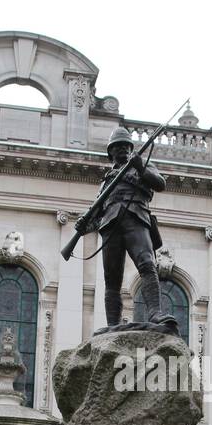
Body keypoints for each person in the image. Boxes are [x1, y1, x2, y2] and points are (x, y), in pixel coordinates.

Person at [78, 126, 176, 332]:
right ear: (110, 152)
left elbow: (160, 184)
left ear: (131, 148)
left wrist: (140, 168)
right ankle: (112, 325)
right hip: (110, 227)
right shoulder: (106, 181)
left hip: (135, 218)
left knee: (147, 264)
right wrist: (83, 224)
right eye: (117, 146)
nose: (121, 149)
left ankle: (155, 313)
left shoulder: (142, 166)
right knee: (111, 279)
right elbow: (96, 213)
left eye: (125, 145)